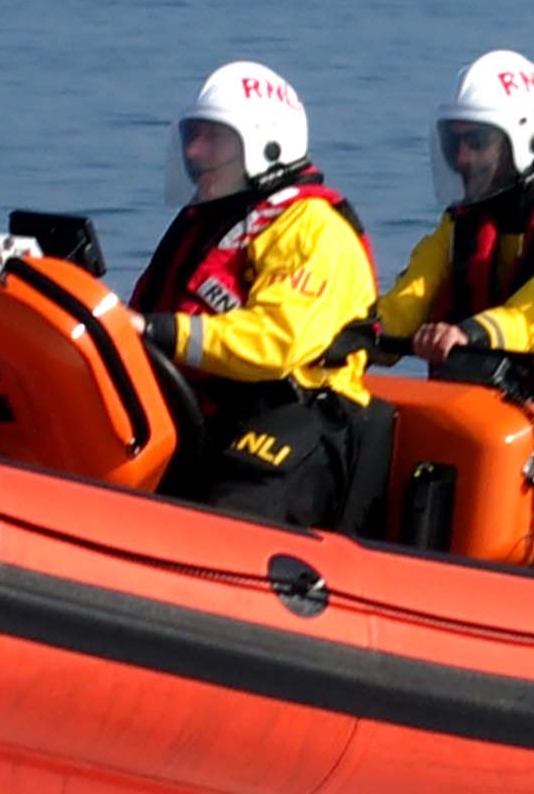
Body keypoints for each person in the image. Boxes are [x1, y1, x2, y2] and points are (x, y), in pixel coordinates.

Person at [128, 59, 379, 525]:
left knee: (223, 519)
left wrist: (160, 332)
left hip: (296, 418)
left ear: (266, 145)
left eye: (213, 138)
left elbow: (277, 339)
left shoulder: (311, 228)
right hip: (202, 412)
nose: (195, 152)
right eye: (192, 136)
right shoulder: (206, 224)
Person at [376, 49, 534, 374]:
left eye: (477, 142)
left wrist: (471, 334)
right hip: (477, 393)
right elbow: (411, 294)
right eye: (453, 143)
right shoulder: (460, 224)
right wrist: (363, 333)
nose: (462, 157)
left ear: (530, 140)